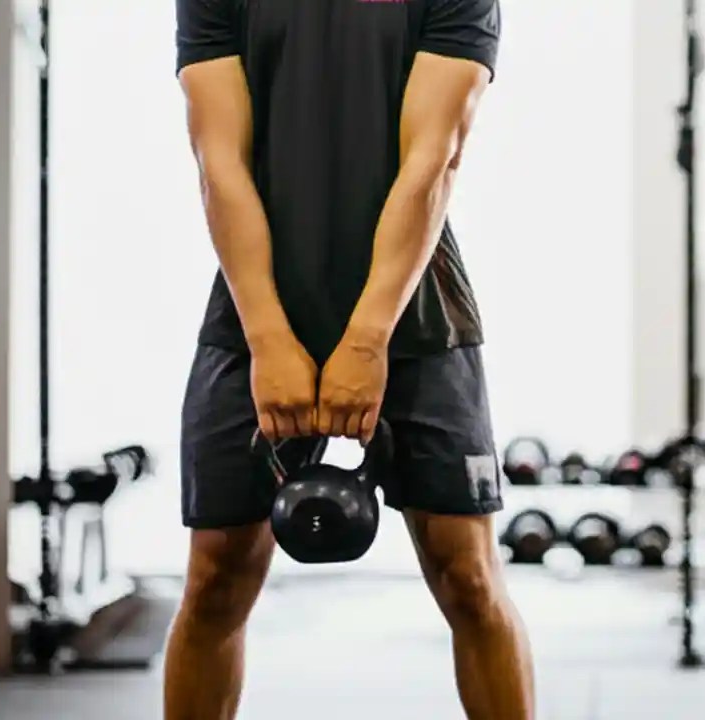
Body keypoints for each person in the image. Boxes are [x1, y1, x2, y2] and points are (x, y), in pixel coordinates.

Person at [166, 1, 534, 718]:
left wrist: (367, 340)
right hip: (255, 309)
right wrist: (269, 340)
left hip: (417, 313)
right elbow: (219, 160)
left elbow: (435, 156)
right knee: (215, 579)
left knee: (469, 576)